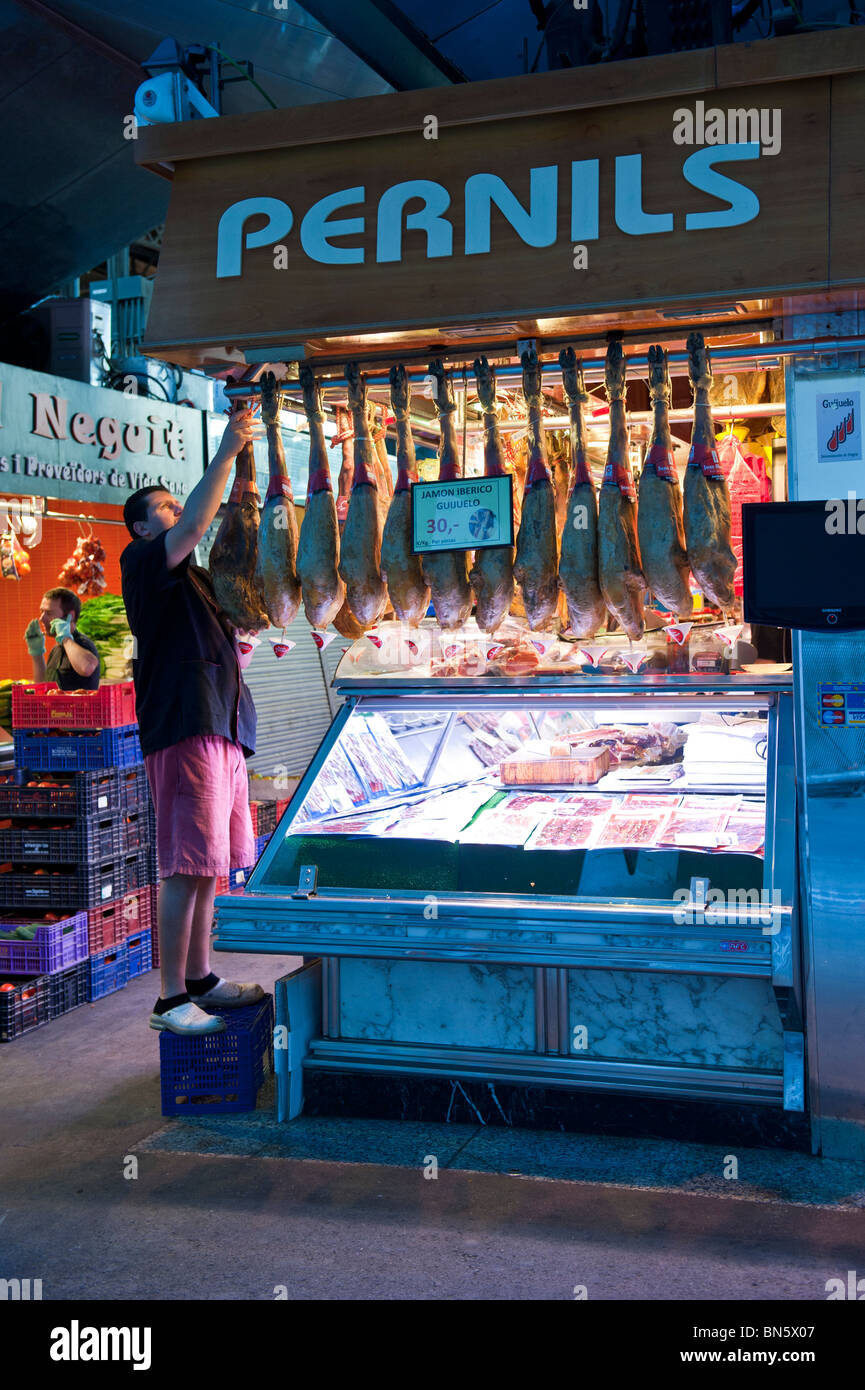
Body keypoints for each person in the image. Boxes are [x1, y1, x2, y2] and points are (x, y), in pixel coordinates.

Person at [120, 406, 266, 1037]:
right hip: (185, 728)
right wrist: (230, 447)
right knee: (184, 864)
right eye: (168, 508)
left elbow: (218, 642)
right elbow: (204, 516)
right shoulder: (145, 562)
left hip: (224, 728)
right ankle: (167, 998)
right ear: (141, 528)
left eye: (179, 506)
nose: (180, 514)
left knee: (211, 862)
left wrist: (247, 643)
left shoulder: (197, 580)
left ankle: (202, 977)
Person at [24, 589, 100, 691]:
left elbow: (88, 667)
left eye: (49, 613)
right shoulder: (56, 650)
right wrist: (37, 654)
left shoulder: (83, 643)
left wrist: (65, 638)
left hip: (80, 707)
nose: (42, 618)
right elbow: (43, 687)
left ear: (70, 616)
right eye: (41, 611)